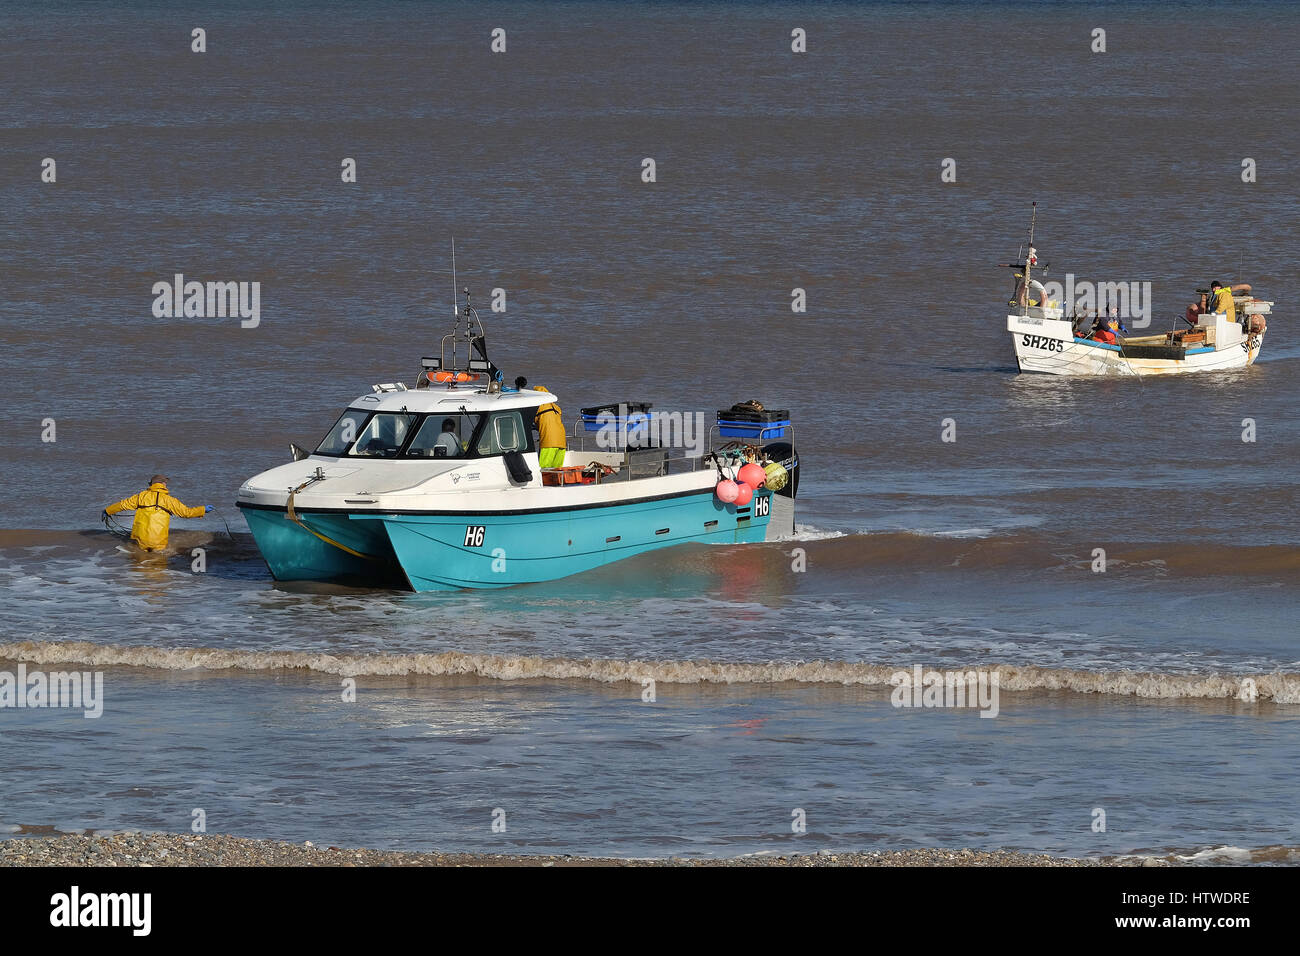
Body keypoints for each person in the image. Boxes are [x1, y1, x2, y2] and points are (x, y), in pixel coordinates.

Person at [104, 475, 209, 552]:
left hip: (142, 540)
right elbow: (186, 513)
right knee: (158, 565)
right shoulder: (170, 500)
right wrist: (203, 509)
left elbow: (122, 505)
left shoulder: (141, 496)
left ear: (151, 484)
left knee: (139, 564)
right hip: (159, 541)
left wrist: (108, 511)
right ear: (163, 484)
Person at [1186, 280, 1251, 327]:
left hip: (1226, 321)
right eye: (1212, 288)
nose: (1213, 290)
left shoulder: (1224, 293)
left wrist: (1216, 312)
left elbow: (1223, 305)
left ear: (1219, 287)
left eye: (1215, 287)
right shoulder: (1213, 296)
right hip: (1216, 320)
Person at [531, 385, 566, 468]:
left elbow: (531, 420)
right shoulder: (556, 407)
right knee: (557, 470)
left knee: (544, 469)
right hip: (562, 442)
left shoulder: (538, 406)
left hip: (548, 442)